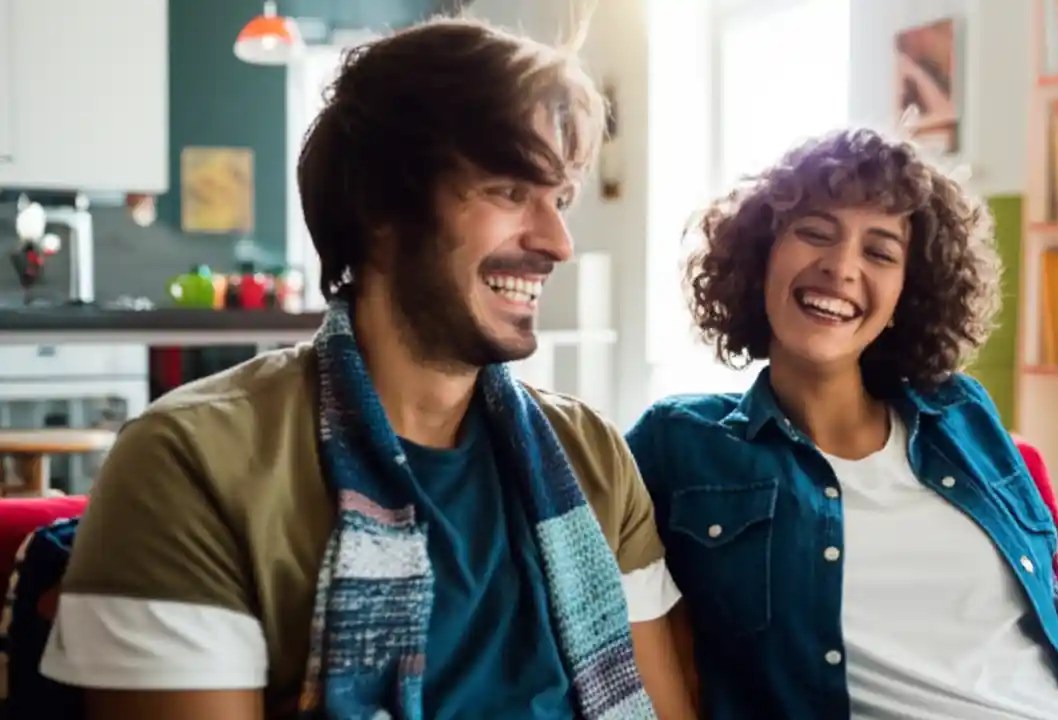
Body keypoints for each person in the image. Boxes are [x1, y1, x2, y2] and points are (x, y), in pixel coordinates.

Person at [38, 17, 694, 720]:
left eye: (558, 198)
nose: (557, 241)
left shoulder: (592, 454)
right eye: (508, 191)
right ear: (382, 204)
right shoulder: (192, 464)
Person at [626, 128, 1058, 720]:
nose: (842, 266)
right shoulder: (682, 442)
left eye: (880, 251)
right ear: (763, 255)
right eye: (815, 233)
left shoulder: (960, 413)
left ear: (909, 294)